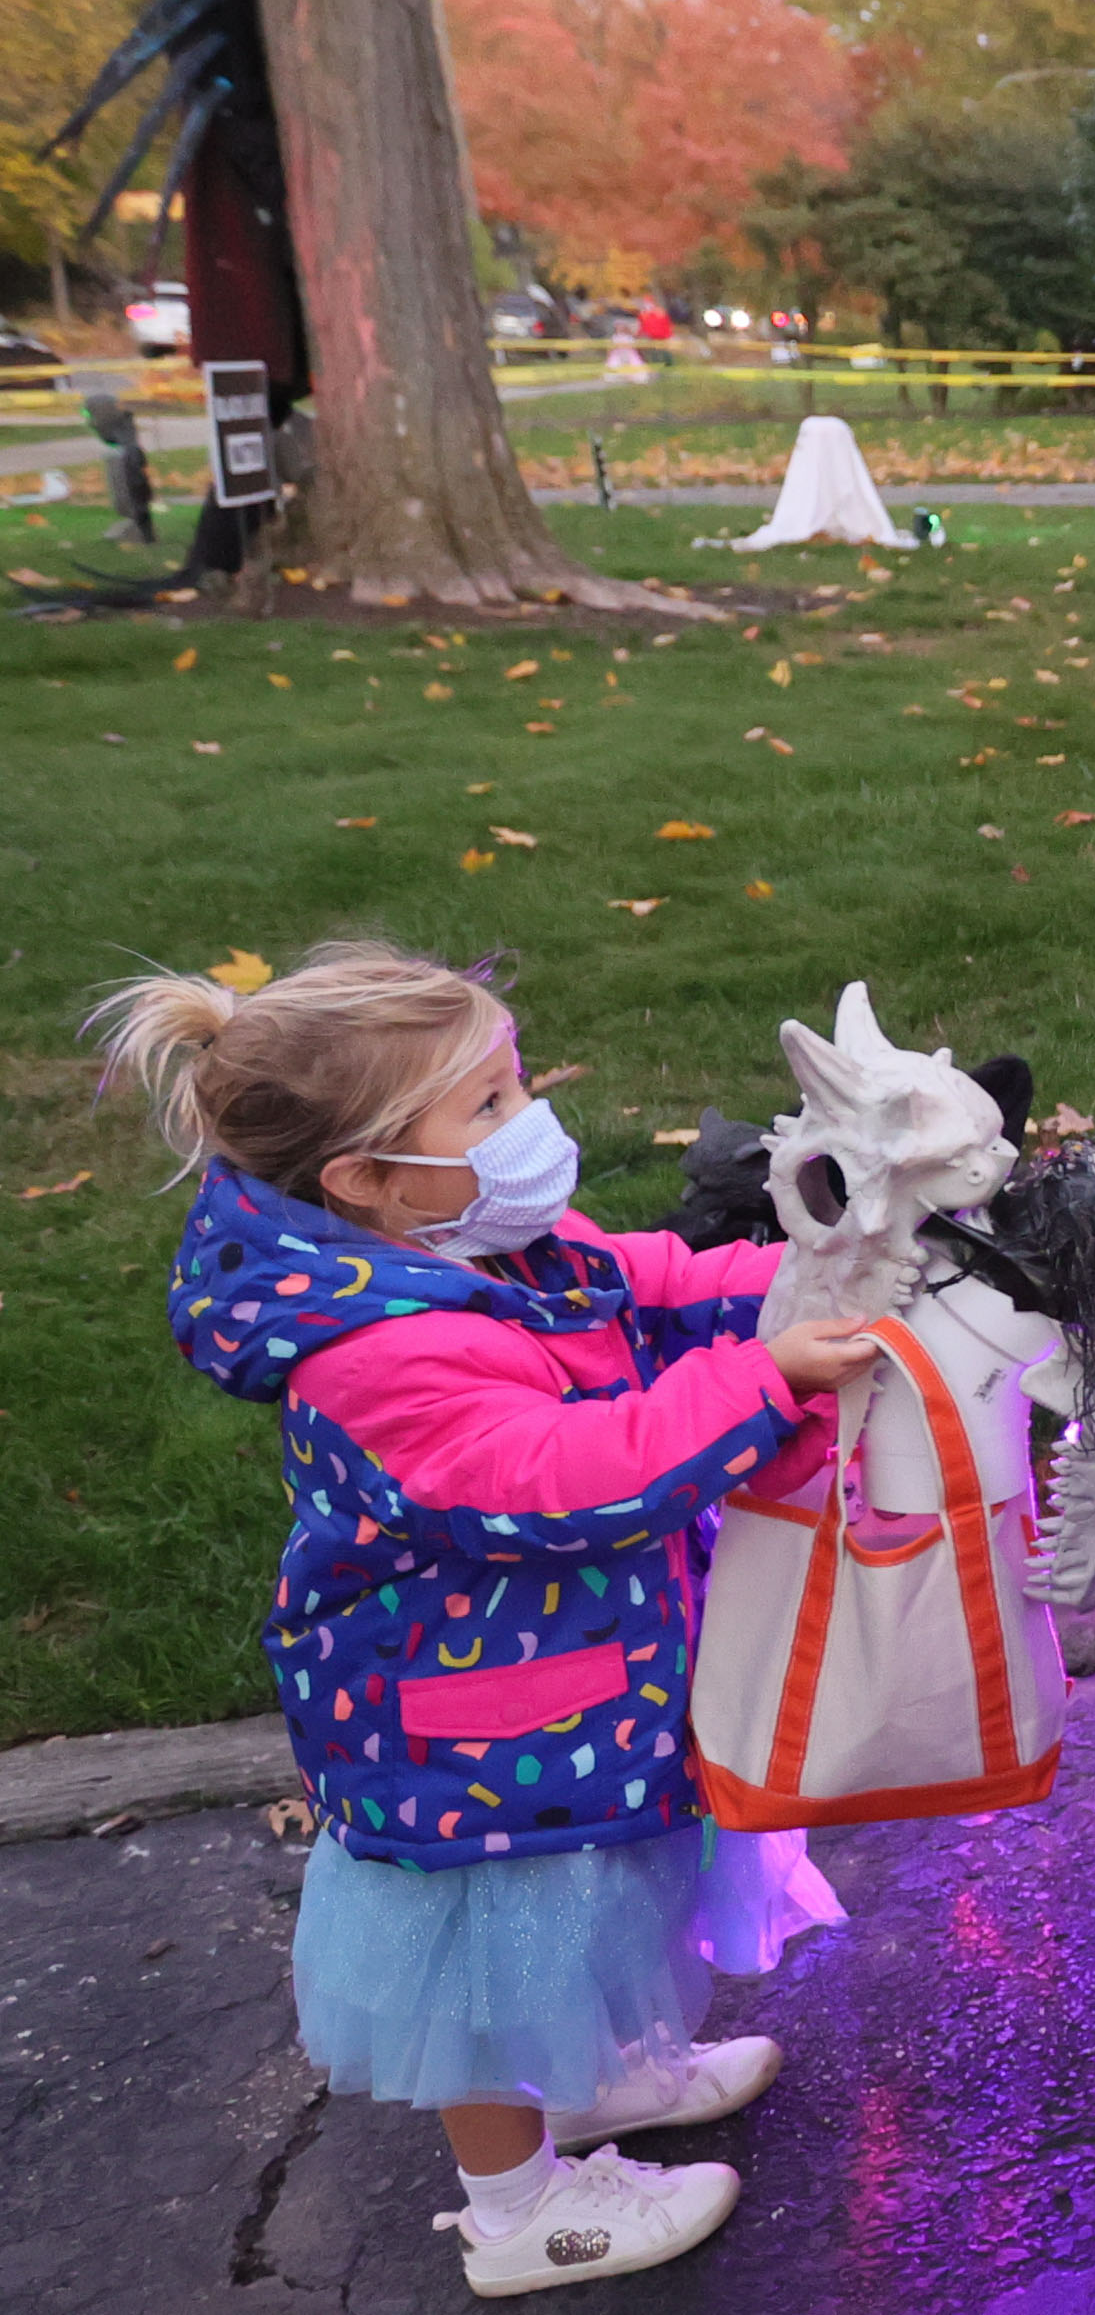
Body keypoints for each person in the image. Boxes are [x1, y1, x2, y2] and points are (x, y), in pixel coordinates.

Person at [98, 945, 880, 2292]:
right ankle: (520, 2211)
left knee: (595, 1911)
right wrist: (761, 1382)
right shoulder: (379, 1354)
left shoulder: (470, 1235)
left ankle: (597, 2082)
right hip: (468, 1734)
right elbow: (564, 1484)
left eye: (517, 1081)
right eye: (488, 1105)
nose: (531, 1119)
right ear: (364, 1179)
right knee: (493, 1966)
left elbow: (635, 1280)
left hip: (558, 1687)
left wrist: (792, 1281)